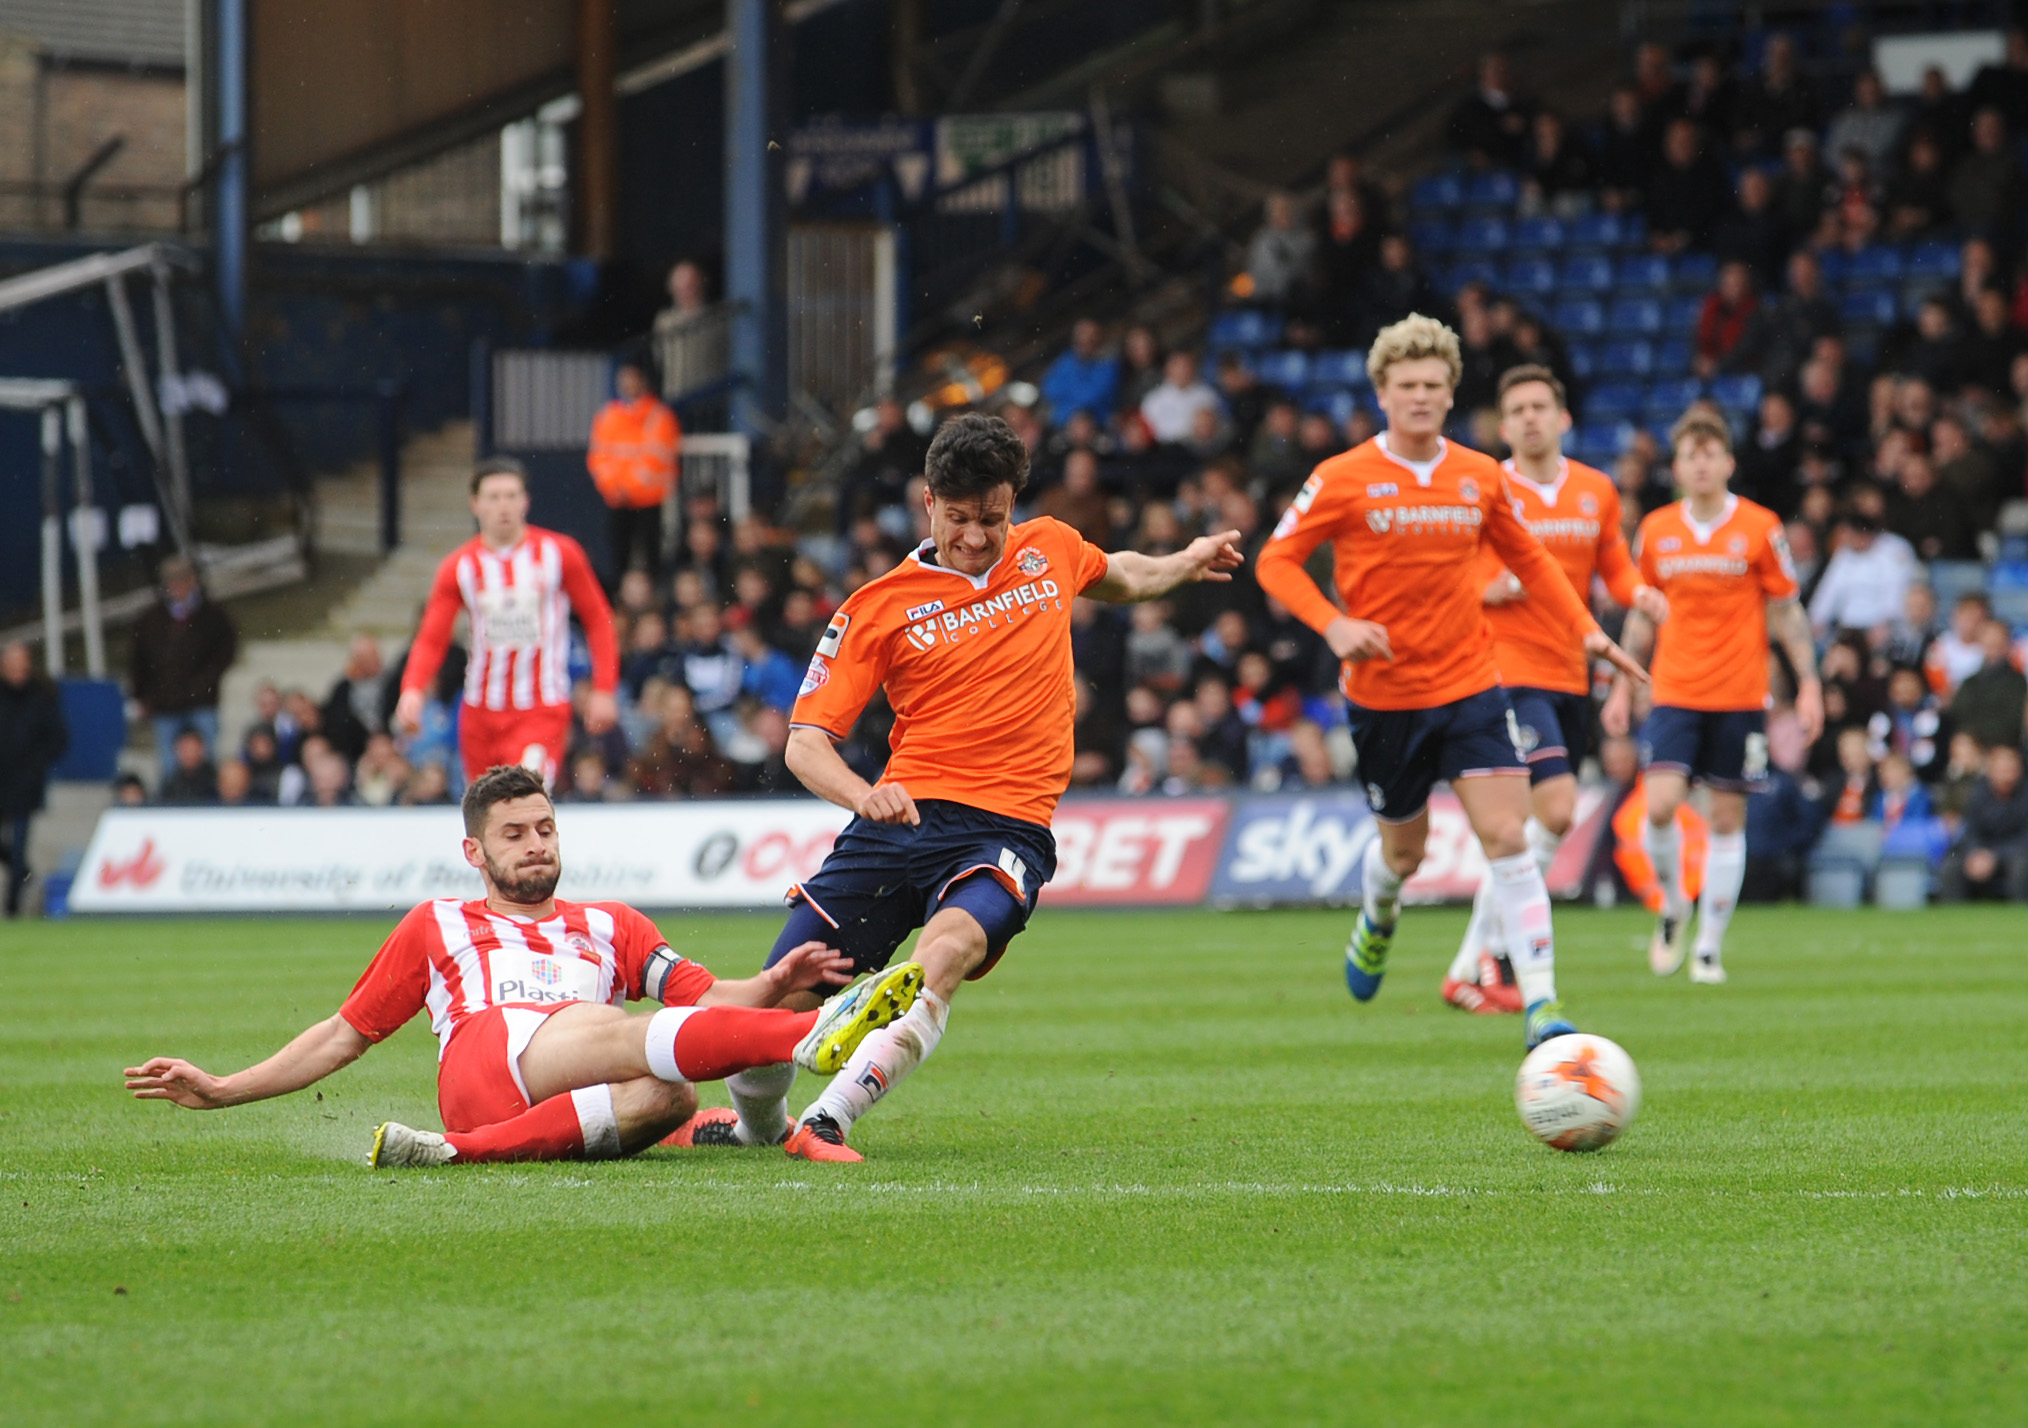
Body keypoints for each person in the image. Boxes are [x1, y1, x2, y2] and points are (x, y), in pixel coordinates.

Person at [725, 412, 1244, 1163]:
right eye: (960, 518)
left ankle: (828, 1119)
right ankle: (754, 1126)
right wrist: (863, 795)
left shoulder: (1051, 548)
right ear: (927, 502)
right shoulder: (876, 607)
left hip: (1004, 826)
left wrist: (1187, 559)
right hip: (895, 821)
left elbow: (1123, 575)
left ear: (1014, 503)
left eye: (993, 519)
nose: (975, 536)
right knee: (775, 1001)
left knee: (947, 951)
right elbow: (807, 745)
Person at [124, 764, 925, 1166]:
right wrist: (226, 1089)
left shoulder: (612, 923)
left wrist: (771, 985)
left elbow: (711, 1003)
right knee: (605, 1023)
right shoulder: (437, 924)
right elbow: (343, 1035)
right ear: (475, 851)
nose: (537, 843)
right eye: (515, 834)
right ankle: (806, 1037)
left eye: (545, 827)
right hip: (486, 1059)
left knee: (667, 1091)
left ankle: (456, 1153)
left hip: (565, 1084)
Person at [1254, 315, 1647, 1051]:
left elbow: (1532, 562)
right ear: (1382, 394)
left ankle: (1541, 1005)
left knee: (1508, 835)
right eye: (1407, 387)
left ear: (1451, 392)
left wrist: (1587, 633)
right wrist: (1334, 624)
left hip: (1472, 685)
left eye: (1435, 386)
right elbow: (1275, 561)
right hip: (1384, 699)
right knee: (1406, 854)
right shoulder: (1341, 477)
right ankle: (1379, 916)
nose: (1422, 398)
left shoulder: (1478, 474)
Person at [1443, 367, 1668, 1015]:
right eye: (1518, 409)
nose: (1531, 418)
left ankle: (1470, 961)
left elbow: (1615, 566)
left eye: (1541, 406)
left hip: (1573, 670)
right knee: (1559, 810)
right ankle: (1496, 955)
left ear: (1563, 418)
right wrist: (1489, 586)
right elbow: (1456, 568)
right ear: (1504, 425)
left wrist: (1638, 594)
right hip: (1506, 669)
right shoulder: (1486, 487)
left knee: (1530, 827)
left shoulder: (1595, 490)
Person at [1602, 411, 1824, 984]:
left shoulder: (1759, 527)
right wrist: (1625, 683)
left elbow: (1786, 613)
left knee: (1727, 819)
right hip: (1674, 690)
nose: (1701, 465)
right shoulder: (1655, 530)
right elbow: (1642, 617)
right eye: (1690, 456)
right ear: (1676, 468)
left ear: (1728, 462)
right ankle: (1675, 903)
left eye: (1710, 454)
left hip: (1741, 693)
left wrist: (1809, 685)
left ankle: (1708, 947)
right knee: (1658, 804)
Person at [396, 457, 620, 787]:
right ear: (475, 504)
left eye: (512, 496)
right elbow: (432, 638)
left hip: (541, 707)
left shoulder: (560, 553)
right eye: (493, 496)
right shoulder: (459, 567)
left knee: (525, 794)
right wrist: (412, 689)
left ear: (526, 501)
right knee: (487, 817)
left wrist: (604, 688)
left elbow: (598, 619)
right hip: (480, 711)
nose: (504, 505)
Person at [129, 554, 238, 777]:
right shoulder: (151, 619)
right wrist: (141, 695)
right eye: (172, 581)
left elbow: (225, 653)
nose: (177, 586)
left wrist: (204, 683)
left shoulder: (213, 616)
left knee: (205, 761)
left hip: (201, 702)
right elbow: (138, 660)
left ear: (193, 581)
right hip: (164, 704)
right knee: (169, 765)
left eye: (182, 580)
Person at [587, 360, 680, 585]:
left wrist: (628, 488)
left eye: (633, 378)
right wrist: (614, 488)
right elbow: (598, 457)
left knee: (652, 556)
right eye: (624, 378)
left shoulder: (660, 416)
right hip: (617, 500)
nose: (627, 384)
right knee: (618, 554)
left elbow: (657, 459)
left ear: (644, 381)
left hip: (649, 501)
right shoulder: (608, 415)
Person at [0, 641, 67, 916]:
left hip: (25, 785)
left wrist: (34, 765)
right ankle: (25, 876)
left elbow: (59, 738)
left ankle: (13, 906)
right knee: (11, 850)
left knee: (18, 847)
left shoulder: (41, 697)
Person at [1937, 744, 2028, 901]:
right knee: (1950, 868)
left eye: (2011, 769)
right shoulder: (1978, 794)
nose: (2007, 774)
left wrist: (1995, 856)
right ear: (1990, 771)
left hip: (2014, 854)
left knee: (2022, 867)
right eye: (2002, 769)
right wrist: (1976, 853)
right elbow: (1971, 831)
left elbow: (2024, 839)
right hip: (1982, 853)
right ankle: (1953, 919)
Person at [1038, 319, 1120, 425]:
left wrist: (1066, 398)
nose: (1084, 341)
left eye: (1090, 339)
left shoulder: (1108, 362)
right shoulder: (1066, 359)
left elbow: (1092, 397)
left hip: (1097, 424)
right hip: (1063, 424)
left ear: (1098, 338)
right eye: (1080, 337)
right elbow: (1049, 388)